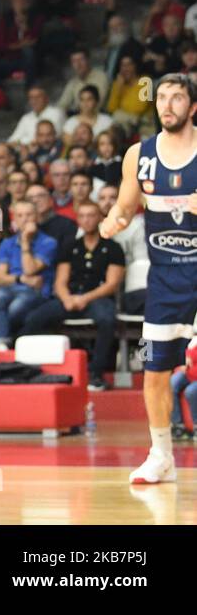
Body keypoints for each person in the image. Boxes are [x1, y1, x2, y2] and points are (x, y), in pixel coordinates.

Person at [100, 74, 197, 484]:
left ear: (193, 107)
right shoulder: (138, 155)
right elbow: (125, 206)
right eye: (161, 97)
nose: (168, 104)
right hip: (164, 279)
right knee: (154, 372)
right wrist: (113, 220)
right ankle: (161, 456)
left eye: (177, 97)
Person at [21, 200, 123, 391]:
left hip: (97, 297)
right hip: (70, 297)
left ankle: (96, 373)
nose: (87, 220)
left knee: (107, 320)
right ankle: (35, 369)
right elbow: (60, 280)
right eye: (82, 216)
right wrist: (67, 298)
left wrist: (85, 298)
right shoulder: (69, 246)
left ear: (101, 218)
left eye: (91, 215)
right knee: (34, 318)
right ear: (78, 220)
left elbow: (112, 284)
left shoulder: (113, 247)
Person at [0, 200, 60, 351]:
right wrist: (20, 278)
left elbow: (30, 269)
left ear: (37, 217)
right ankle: (1, 343)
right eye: (20, 215)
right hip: (13, 286)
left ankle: (8, 340)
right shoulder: (6, 243)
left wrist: (26, 241)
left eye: (29, 215)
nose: (25, 219)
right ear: (14, 218)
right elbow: (0, 278)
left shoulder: (49, 242)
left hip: (37, 292)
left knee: (16, 306)